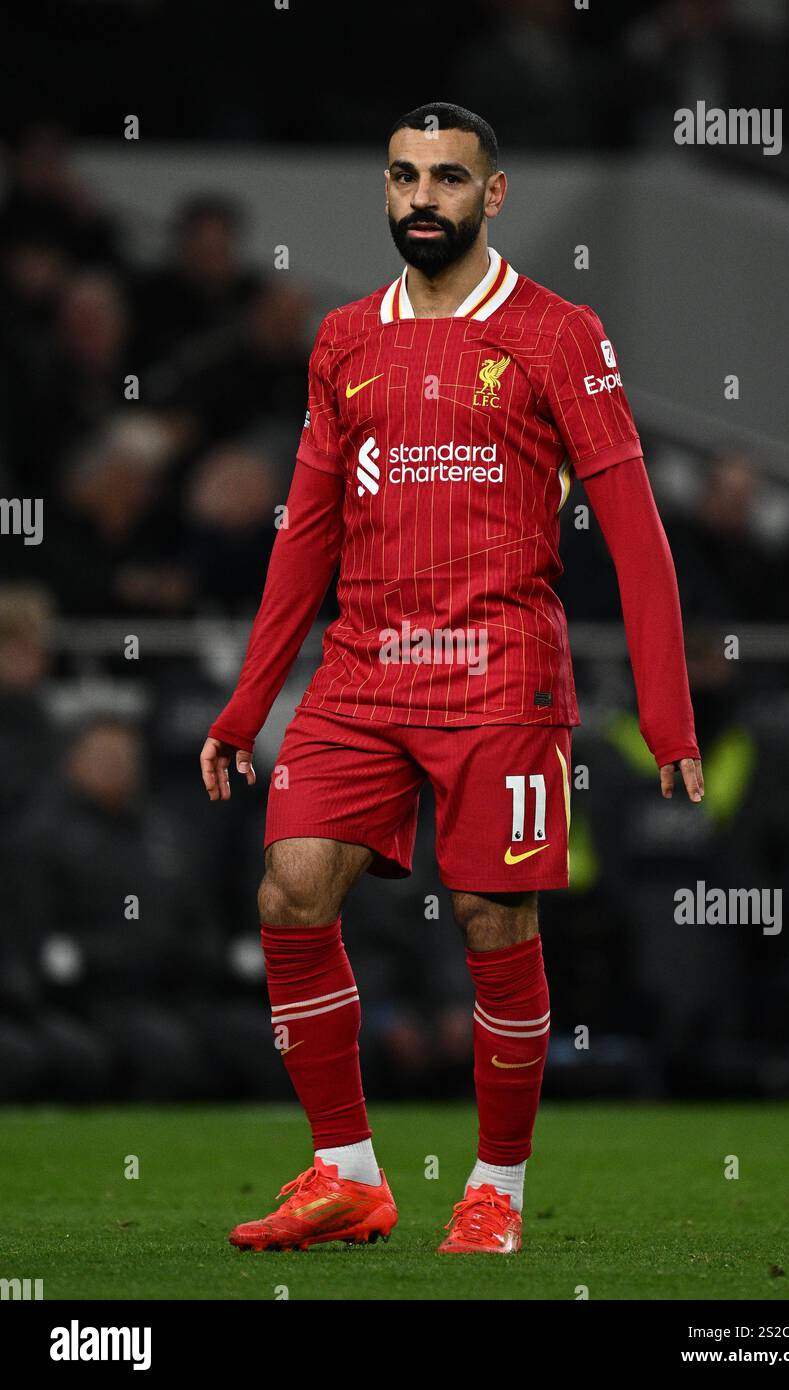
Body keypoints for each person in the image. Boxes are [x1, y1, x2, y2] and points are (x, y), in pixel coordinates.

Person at [199, 102, 703, 1256]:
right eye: (403, 176)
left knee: (490, 920)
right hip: (362, 672)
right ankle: (345, 1172)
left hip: (500, 676)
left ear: (494, 194)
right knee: (290, 889)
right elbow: (303, 535)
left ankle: (495, 1191)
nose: (421, 197)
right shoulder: (341, 340)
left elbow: (634, 532)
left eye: (446, 178)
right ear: (383, 189)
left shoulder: (557, 332)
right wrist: (246, 701)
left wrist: (667, 713)